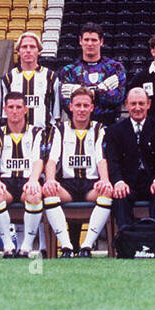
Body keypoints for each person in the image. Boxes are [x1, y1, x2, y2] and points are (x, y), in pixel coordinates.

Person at [40, 88, 114, 256]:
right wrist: (50, 180)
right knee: (48, 191)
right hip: (68, 185)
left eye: (85, 105)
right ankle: (66, 247)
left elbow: (101, 158)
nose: (81, 109)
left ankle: (86, 247)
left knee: (107, 191)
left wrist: (105, 179)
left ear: (92, 108)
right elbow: (52, 159)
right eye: (78, 105)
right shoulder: (59, 129)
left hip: (90, 185)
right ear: (71, 107)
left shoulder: (99, 129)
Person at [0, 92, 49, 256]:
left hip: (27, 179)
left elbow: (38, 160)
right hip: (6, 181)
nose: (15, 111)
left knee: (34, 194)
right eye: (11, 107)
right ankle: (8, 246)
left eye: (18, 107)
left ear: (25, 110)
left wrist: (34, 180)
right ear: (5, 109)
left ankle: (26, 247)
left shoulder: (36, 132)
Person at [105, 87, 155, 231]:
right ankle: (126, 238)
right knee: (119, 194)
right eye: (133, 104)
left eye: (141, 103)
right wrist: (119, 182)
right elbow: (112, 160)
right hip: (127, 182)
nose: (137, 108)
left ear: (149, 104)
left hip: (152, 180)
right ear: (126, 105)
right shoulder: (114, 131)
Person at [55, 23, 126, 127]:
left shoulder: (115, 68)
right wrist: (102, 90)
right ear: (80, 41)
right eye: (86, 39)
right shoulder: (68, 71)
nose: (90, 44)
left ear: (101, 41)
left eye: (94, 40)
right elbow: (67, 104)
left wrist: (90, 93)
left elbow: (118, 98)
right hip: (78, 129)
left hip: (109, 127)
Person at [5, 31, 59, 128]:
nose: (28, 50)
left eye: (32, 47)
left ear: (39, 51)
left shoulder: (51, 77)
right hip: (16, 134)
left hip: (43, 135)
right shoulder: (9, 78)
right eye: (24, 47)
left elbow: (56, 114)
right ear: (18, 51)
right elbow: (4, 113)